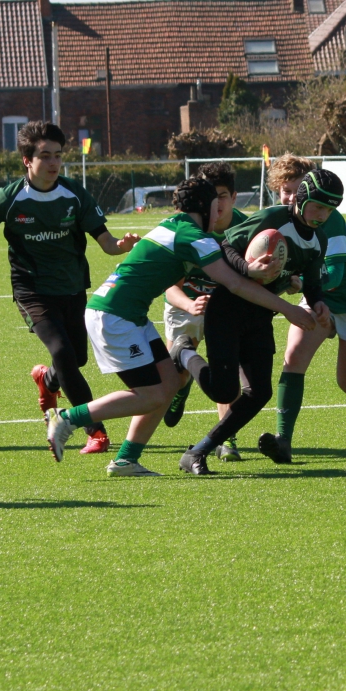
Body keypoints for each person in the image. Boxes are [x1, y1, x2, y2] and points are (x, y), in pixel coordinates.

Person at [49, 177, 317, 473]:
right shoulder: (192, 237)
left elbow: (231, 266)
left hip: (128, 313)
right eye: (216, 208)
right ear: (204, 207)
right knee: (152, 393)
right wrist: (287, 308)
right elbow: (235, 284)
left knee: (169, 383)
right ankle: (68, 418)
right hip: (114, 316)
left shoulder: (178, 226)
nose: (219, 216)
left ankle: (126, 459)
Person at [0, 121, 141, 457]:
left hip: (72, 288)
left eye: (58, 155)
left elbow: (106, 243)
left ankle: (48, 381)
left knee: (76, 359)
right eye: (45, 156)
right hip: (32, 289)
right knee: (62, 352)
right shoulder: (10, 197)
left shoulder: (74, 194)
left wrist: (123, 244)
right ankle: (94, 430)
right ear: (27, 160)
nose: (54, 163)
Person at [171, 171, 338, 475]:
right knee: (223, 391)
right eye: (317, 206)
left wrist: (319, 304)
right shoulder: (273, 217)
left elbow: (311, 283)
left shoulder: (319, 240)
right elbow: (227, 248)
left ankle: (198, 452)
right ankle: (183, 352)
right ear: (301, 198)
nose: (322, 215)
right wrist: (248, 268)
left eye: (329, 210)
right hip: (228, 308)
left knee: (259, 392)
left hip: (261, 314)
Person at [262, 159, 346, 464]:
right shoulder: (277, 220)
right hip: (317, 296)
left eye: (294, 191)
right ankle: (284, 441)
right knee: (293, 358)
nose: (289, 198)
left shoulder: (329, 222)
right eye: (285, 191)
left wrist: (298, 281)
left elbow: (332, 275)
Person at [161, 161, 250, 460]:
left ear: (234, 197)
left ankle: (228, 439)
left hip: (225, 308)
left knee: (227, 373)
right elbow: (169, 286)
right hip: (185, 304)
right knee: (174, 378)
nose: (217, 203)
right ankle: (180, 387)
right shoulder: (185, 228)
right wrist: (189, 304)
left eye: (223, 195)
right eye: (212, 196)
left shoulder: (248, 229)